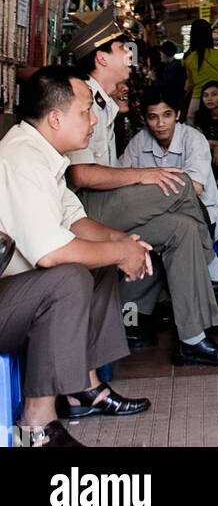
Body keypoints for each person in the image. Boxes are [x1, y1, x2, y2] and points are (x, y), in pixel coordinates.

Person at [65, 8, 218, 367]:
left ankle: (193, 339)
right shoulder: (82, 98)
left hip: (108, 203)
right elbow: (80, 176)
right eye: (121, 49)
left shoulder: (105, 101)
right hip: (86, 210)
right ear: (101, 57)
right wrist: (141, 176)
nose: (130, 55)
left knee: (184, 229)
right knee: (179, 185)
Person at [0, 68, 151, 447]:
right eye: (85, 111)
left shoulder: (46, 155)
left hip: (15, 295)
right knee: (68, 277)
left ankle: (84, 387)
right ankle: (36, 422)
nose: (94, 119)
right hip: (7, 299)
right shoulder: (22, 160)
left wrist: (124, 244)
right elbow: (51, 253)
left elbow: (76, 221)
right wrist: (119, 251)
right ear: (55, 118)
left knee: (97, 262)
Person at [120, 88, 218, 244]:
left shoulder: (193, 139)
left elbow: (194, 187)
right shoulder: (139, 141)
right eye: (153, 117)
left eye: (167, 115)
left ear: (177, 114)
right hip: (154, 216)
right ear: (144, 119)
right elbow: (121, 180)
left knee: (182, 231)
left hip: (198, 214)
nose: (160, 124)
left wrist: (141, 182)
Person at [182, 19, 218, 119]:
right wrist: (217, 83)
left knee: (191, 123)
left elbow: (190, 84)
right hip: (216, 99)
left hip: (197, 99)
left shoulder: (189, 59)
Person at [152, 41, 186, 108]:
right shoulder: (174, 64)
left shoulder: (173, 67)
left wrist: (154, 78)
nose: (161, 57)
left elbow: (164, 84)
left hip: (174, 100)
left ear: (165, 54)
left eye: (161, 54)